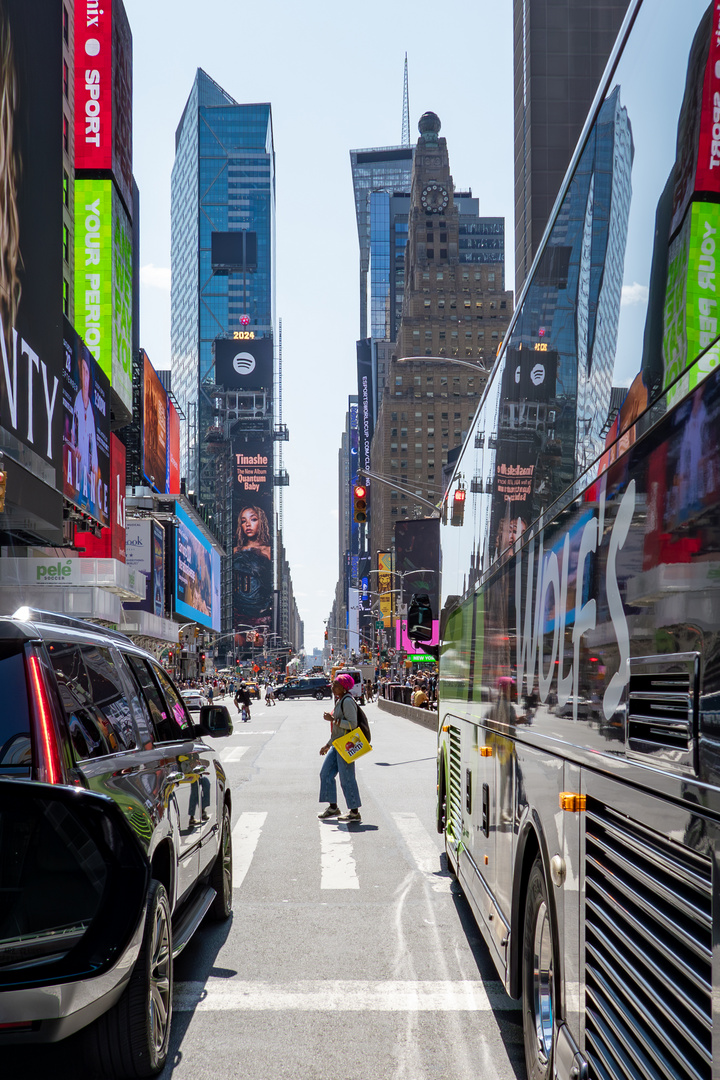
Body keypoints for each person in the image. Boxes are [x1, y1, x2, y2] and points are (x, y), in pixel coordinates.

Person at [318, 674, 362, 823]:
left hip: (346, 745)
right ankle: (333, 807)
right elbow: (337, 731)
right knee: (325, 774)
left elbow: (352, 725)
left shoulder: (347, 701)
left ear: (344, 688)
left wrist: (333, 720)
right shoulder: (340, 700)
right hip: (337, 744)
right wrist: (327, 745)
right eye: (333, 684)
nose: (332, 687)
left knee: (347, 778)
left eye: (336, 685)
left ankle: (354, 812)